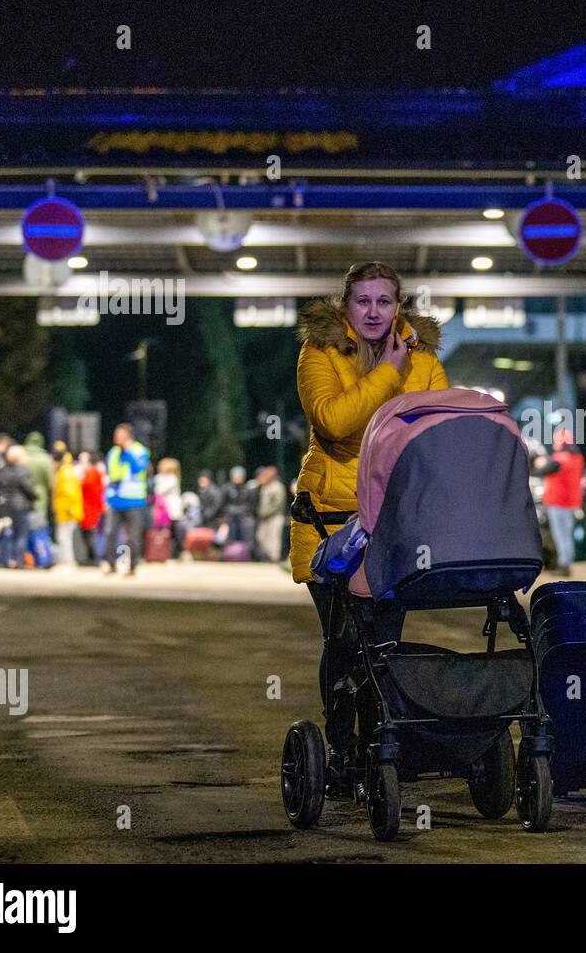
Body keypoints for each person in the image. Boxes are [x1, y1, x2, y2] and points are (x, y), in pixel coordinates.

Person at [289, 260, 448, 797]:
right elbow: (334, 421)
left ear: (397, 303)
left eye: (384, 301)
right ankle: (342, 749)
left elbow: (440, 427)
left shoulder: (423, 358)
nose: (375, 311)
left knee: (384, 642)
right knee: (344, 640)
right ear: (346, 305)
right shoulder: (321, 352)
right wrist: (390, 374)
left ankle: (381, 745)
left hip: (397, 526)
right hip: (332, 526)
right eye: (364, 301)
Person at [101, 423, 150, 576]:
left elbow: (138, 469)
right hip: (115, 500)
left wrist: (128, 452)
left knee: (133, 537)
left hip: (134, 499)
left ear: (128, 436)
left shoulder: (140, 451)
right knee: (110, 533)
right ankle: (111, 564)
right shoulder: (113, 452)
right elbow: (111, 475)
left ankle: (132, 565)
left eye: (119, 434)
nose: (116, 437)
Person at [536, 429, 583, 575]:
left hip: (558, 502)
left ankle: (564, 566)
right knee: (566, 535)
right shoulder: (577, 458)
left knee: (561, 536)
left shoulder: (560, 458)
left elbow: (542, 469)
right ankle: (565, 564)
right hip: (571, 503)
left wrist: (540, 462)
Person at [0, 444, 36, 569]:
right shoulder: (22, 471)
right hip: (20, 506)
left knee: (7, 533)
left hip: (4, 506)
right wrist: (35, 497)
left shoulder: (2, 470)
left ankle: (5, 559)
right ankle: (17, 560)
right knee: (21, 534)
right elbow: (29, 489)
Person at [51, 451, 83, 571]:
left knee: (64, 538)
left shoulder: (65, 472)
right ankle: (66, 562)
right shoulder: (66, 471)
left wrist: (70, 509)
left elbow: (70, 493)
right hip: (66, 510)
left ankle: (68, 563)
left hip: (67, 511)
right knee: (64, 537)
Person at [254, 465, 287, 563]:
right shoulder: (266, 486)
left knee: (274, 538)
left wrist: (267, 512)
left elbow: (278, 503)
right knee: (261, 537)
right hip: (265, 517)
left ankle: (274, 558)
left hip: (275, 516)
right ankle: (266, 556)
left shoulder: (278, 486)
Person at [152, 458, 185, 557]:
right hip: (162, 509)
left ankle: (180, 551)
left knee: (175, 530)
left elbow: (159, 490)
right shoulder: (159, 477)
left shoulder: (172, 478)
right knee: (164, 531)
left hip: (171, 508)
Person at [78, 451, 105, 565]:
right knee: (89, 533)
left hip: (89, 507)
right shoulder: (95, 472)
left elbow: (85, 486)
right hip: (91, 506)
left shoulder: (92, 473)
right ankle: (91, 557)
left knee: (89, 533)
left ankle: (93, 558)